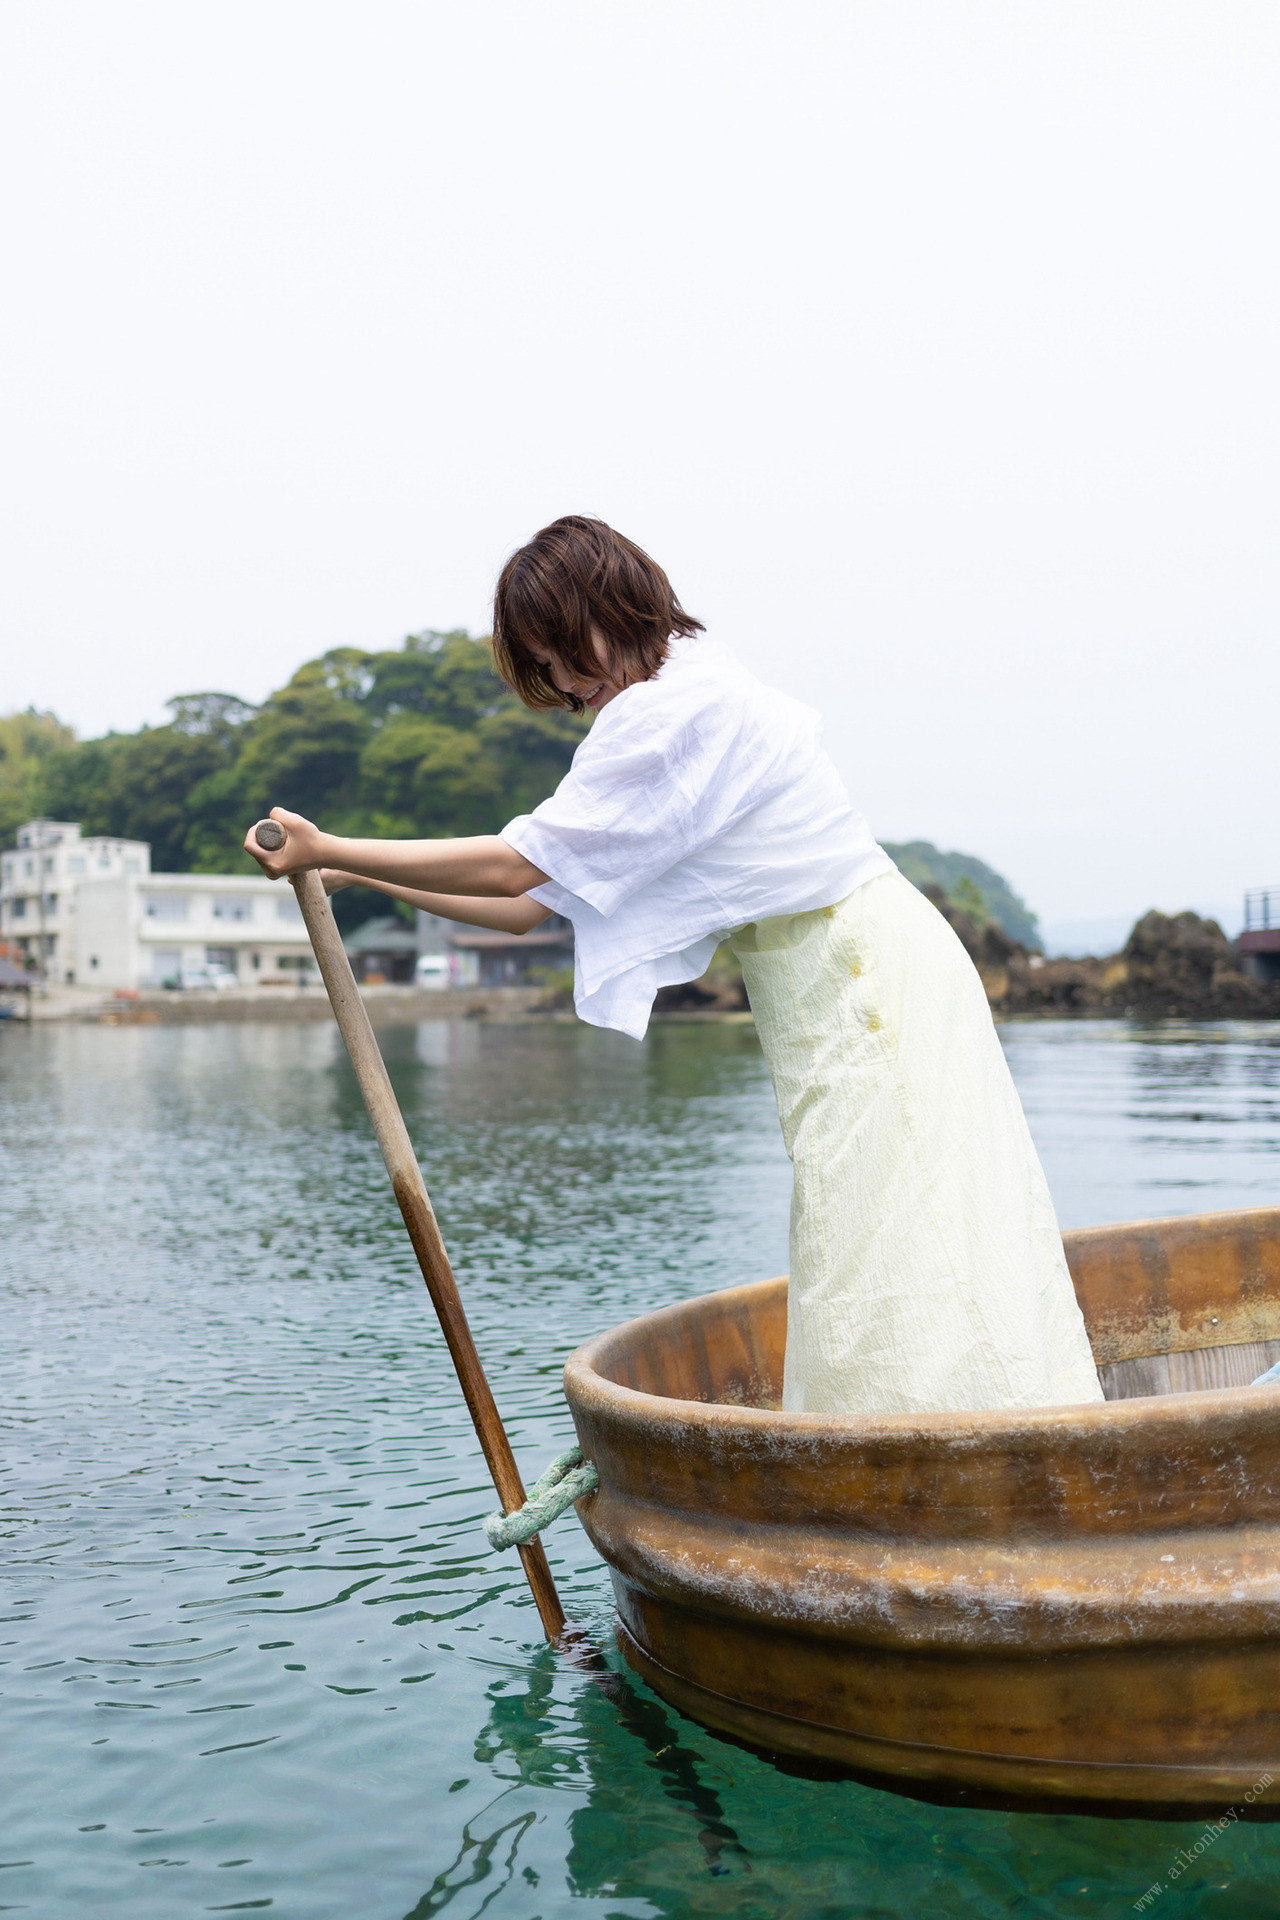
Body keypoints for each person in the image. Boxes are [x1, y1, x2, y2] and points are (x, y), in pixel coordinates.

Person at [245, 515, 1103, 1419]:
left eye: (572, 651)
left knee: (893, 1228)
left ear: (614, 605)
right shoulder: (690, 684)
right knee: (882, 1221)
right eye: (552, 665)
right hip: (856, 977)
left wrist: (331, 842)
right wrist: (347, 868)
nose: (574, 684)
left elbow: (514, 868)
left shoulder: (672, 712)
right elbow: (526, 908)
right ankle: (964, 1436)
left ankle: (952, 1447)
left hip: (863, 981)